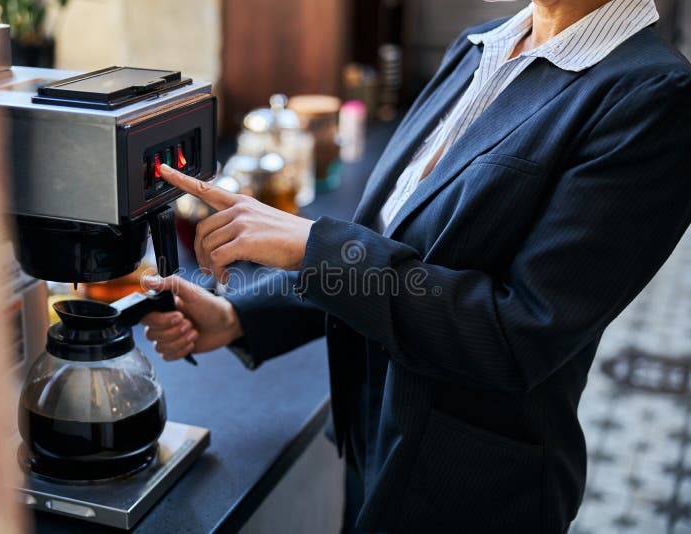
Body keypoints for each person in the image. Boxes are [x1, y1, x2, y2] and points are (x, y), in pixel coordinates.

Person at [142, 0, 691, 531]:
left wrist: (314, 245)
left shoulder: (654, 95)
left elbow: (520, 330)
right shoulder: (480, 46)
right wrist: (241, 316)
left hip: (469, 487)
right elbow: (393, 245)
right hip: (373, 440)